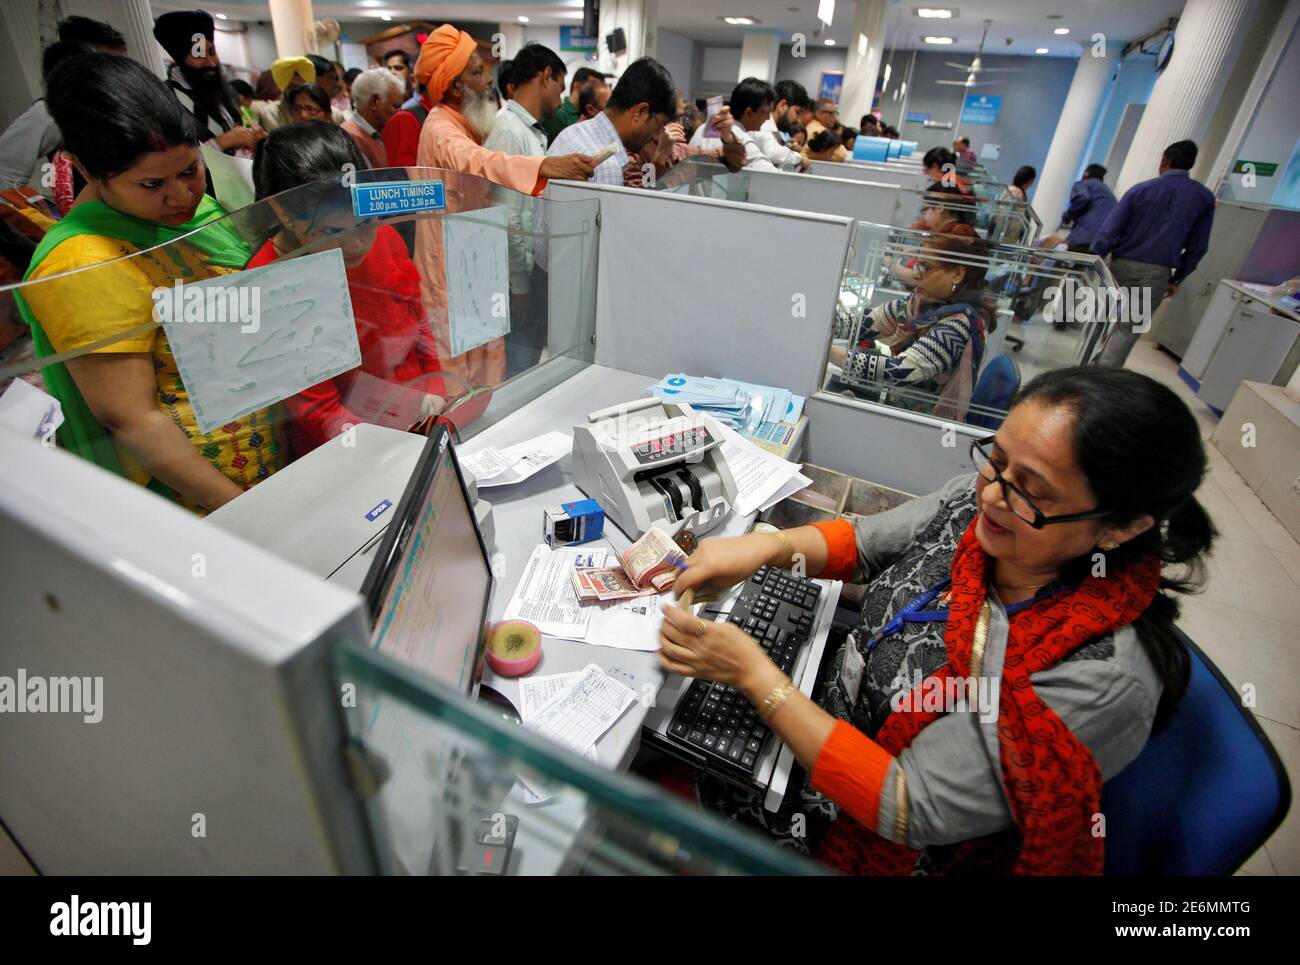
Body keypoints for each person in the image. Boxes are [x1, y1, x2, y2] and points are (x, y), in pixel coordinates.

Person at [660, 364, 1214, 875]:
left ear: (1119, 527)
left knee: (646, 793)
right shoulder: (985, 509)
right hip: (818, 724)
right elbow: (866, 542)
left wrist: (758, 680)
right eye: (995, 461)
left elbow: (910, 806)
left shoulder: (1098, 680)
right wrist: (769, 547)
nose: (992, 496)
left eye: (1031, 492)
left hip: (878, 836)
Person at [16, 53, 285, 512]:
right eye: (152, 184)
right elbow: (132, 419)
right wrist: (247, 514)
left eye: (189, 170)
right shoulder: (83, 262)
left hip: (272, 459)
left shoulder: (199, 215)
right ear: (86, 171)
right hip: (199, 503)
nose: (181, 195)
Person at [411, 24, 594, 392]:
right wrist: (541, 167)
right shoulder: (440, 129)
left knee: (483, 366)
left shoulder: (464, 124)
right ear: (455, 85)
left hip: (472, 266)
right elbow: (477, 161)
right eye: (477, 72)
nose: (488, 80)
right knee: (459, 373)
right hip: (450, 270)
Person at [247, 122, 448, 455]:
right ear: (283, 211)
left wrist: (436, 389)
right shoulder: (270, 280)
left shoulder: (383, 237)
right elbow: (318, 410)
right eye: (331, 231)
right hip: (348, 447)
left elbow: (418, 317)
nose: (356, 243)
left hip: (418, 417)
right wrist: (389, 450)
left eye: (365, 223)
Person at [829, 234, 989, 421]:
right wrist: (820, 322)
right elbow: (867, 323)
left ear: (957, 274)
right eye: (918, 264)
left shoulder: (958, 326)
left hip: (918, 424)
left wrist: (829, 352)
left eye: (926, 267)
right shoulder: (921, 303)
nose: (915, 274)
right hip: (895, 405)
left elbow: (899, 372)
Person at [483, 43, 569, 376]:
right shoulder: (509, 130)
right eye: (559, 88)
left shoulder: (528, 131)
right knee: (517, 365)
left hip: (526, 272)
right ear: (545, 77)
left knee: (527, 359)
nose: (560, 100)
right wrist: (519, 285)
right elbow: (506, 215)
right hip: (515, 278)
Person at [1090, 140, 1216, 367]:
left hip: (1119, 267)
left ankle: (1088, 372)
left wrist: (1096, 261)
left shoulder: (1141, 190)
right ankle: (1099, 380)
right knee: (1127, 330)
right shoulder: (1203, 197)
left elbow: (1108, 231)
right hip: (1156, 274)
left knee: (1102, 321)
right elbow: (1198, 246)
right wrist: (1177, 278)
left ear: (1165, 161)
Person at [546, 57, 676, 186]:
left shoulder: (572, 132)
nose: (657, 135)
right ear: (640, 112)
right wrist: (659, 160)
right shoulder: (606, 166)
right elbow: (639, 202)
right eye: (659, 124)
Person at [153, 10, 263, 156]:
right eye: (199, 54)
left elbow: (241, 126)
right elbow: (169, 159)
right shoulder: (165, 98)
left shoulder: (224, 89)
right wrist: (221, 142)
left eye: (211, 52)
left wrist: (254, 137)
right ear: (180, 58)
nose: (210, 62)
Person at [251, 57, 347, 131]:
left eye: (301, 85)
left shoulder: (336, 115)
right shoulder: (268, 114)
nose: (303, 115)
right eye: (292, 86)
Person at [341, 67, 404, 169]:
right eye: (395, 107)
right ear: (374, 102)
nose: (399, 112)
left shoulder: (373, 133)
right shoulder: (351, 139)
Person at [721, 78, 780, 172]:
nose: (768, 118)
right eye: (765, 112)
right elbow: (775, 176)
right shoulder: (741, 140)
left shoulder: (703, 129)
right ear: (749, 113)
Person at [1061, 163, 1117, 254]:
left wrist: (1068, 215)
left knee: (1064, 265)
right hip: (1103, 241)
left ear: (1086, 173)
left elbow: (1083, 198)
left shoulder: (1083, 184)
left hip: (1084, 237)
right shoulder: (1107, 192)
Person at [541, 66, 608, 142]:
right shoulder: (558, 116)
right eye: (592, 86)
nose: (595, 92)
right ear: (577, 86)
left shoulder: (592, 114)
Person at [754, 79, 809, 172]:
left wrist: (790, 147)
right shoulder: (764, 124)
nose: (798, 119)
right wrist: (799, 159)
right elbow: (772, 152)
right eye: (797, 112)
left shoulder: (777, 129)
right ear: (782, 105)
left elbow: (780, 146)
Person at [991, 165, 1035, 244]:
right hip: (1006, 234)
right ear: (1030, 180)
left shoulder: (1009, 189)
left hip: (999, 231)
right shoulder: (1017, 193)